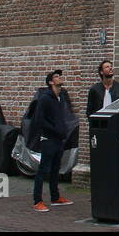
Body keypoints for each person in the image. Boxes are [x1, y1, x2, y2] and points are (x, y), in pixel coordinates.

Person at [31, 70, 76, 212]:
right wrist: (53, 130)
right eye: (56, 76)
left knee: (56, 169)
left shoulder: (60, 97)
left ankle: (55, 197)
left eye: (59, 76)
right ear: (50, 82)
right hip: (48, 138)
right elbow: (38, 119)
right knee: (43, 169)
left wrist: (63, 131)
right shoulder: (45, 98)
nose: (59, 78)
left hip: (59, 139)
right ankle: (37, 201)